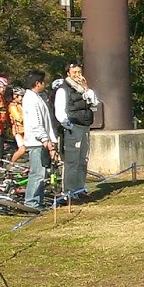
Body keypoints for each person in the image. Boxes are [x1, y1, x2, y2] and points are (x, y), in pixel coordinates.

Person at [54, 61, 100, 196]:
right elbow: (60, 112)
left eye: (79, 72)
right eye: (74, 72)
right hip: (73, 127)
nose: (77, 75)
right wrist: (69, 126)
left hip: (85, 126)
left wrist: (86, 88)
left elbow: (94, 102)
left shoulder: (83, 89)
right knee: (72, 160)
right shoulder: (63, 89)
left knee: (83, 159)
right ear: (68, 73)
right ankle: (69, 190)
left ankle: (80, 188)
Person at [19, 71, 58, 208]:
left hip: (42, 141)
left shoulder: (37, 97)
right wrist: (45, 139)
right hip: (37, 142)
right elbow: (36, 123)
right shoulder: (30, 99)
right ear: (37, 83)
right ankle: (31, 202)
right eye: (43, 82)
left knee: (42, 173)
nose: (45, 84)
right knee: (37, 173)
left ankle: (38, 200)